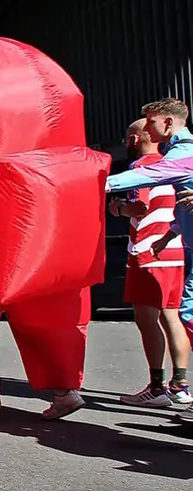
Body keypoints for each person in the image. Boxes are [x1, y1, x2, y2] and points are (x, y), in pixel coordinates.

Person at [105, 98, 193, 423]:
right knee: (176, 315)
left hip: (147, 249)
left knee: (147, 319)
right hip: (174, 249)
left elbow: (138, 207)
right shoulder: (174, 159)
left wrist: (115, 207)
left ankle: (156, 386)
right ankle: (180, 385)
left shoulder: (145, 167)